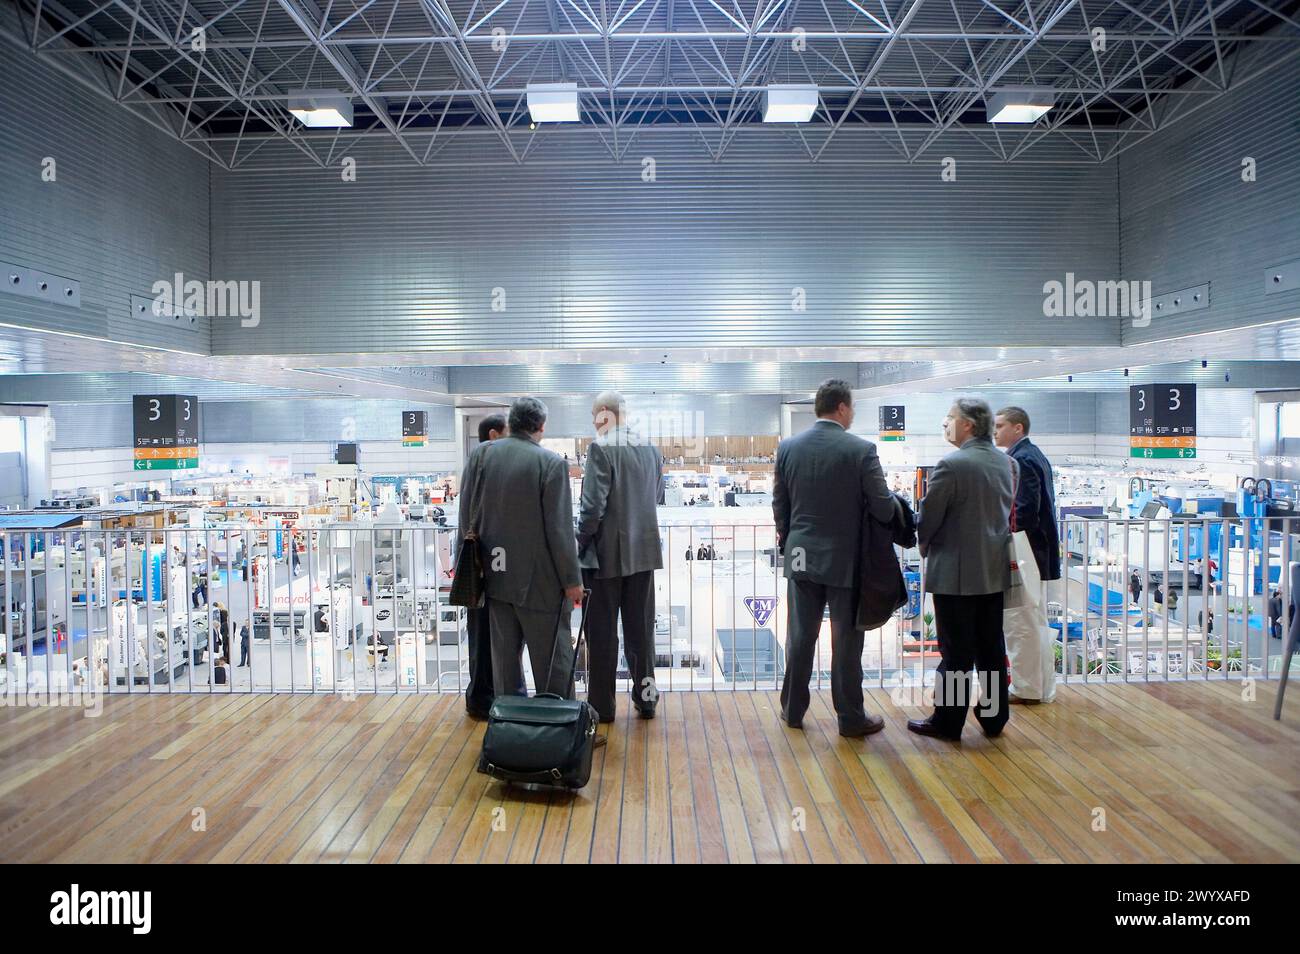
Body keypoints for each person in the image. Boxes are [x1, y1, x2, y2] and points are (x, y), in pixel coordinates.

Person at [772, 379, 894, 737]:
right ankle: (850, 718)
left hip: (799, 554)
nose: (852, 414)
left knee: (799, 635)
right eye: (852, 407)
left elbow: (780, 503)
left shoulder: (789, 447)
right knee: (846, 641)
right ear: (842, 407)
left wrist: (790, 539)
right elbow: (883, 508)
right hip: (845, 559)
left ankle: (793, 710)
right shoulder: (861, 450)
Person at [459, 398, 583, 705]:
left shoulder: (481, 457)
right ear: (540, 427)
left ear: (511, 423)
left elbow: (466, 515)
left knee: (505, 671)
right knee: (553, 666)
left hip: (495, 580)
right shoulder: (551, 464)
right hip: (541, 585)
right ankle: (557, 732)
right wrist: (572, 580)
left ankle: (513, 731)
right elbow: (559, 530)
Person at [909, 398, 1014, 741]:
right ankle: (994, 717)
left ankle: (949, 721)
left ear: (968, 424)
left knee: (955, 655)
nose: (946, 424)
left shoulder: (952, 465)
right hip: (993, 572)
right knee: (991, 649)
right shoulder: (1007, 463)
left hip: (954, 575)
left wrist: (924, 544)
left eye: (950, 418)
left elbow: (929, 519)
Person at [576, 392, 665, 722]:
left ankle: (602, 707)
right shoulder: (650, 447)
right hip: (644, 553)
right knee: (642, 632)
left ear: (603, 413)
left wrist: (579, 540)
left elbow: (592, 509)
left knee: (601, 634)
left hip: (606, 557)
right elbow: (656, 495)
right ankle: (646, 701)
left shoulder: (600, 447)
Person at [994, 406, 1060, 705]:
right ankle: (1039, 687)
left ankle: (1027, 688)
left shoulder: (1022, 459)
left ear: (1018, 428)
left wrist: (1007, 540)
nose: (995, 431)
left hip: (1024, 552)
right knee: (1033, 620)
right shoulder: (1033, 455)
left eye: (1000, 425)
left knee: (1021, 622)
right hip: (1035, 552)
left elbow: (1023, 510)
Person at [456, 412, 509, 718]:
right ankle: (483, 697)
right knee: (484, 630)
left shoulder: (478, 460)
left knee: (480, 630)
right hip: (482, 560)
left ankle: (481, 696)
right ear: (493, 435)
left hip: (475, 558)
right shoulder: (484, 459)